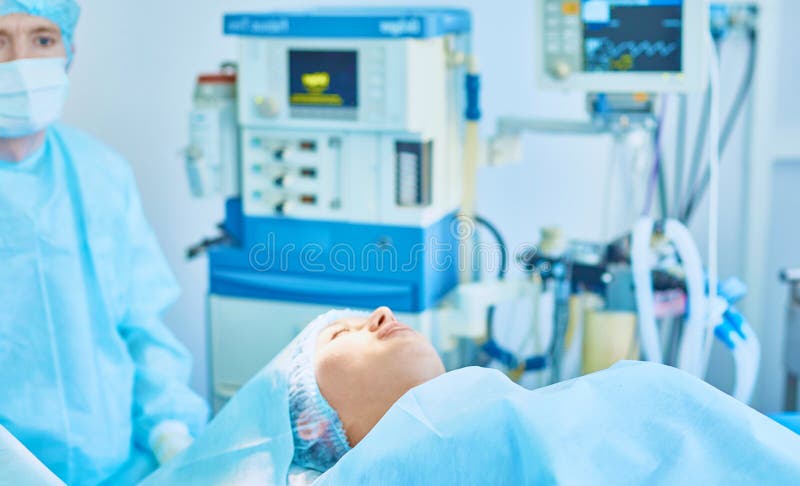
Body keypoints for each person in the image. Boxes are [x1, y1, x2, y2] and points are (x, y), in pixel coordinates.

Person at [0, 1, 208, 484]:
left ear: (68, 51)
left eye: (43, 40)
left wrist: (170, 432)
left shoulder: (100, 173)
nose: (21, 63)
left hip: (113, 463)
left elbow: (141, 326)